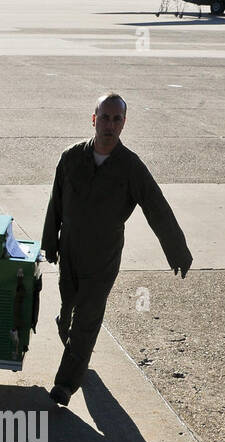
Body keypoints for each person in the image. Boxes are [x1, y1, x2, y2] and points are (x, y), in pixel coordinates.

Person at [41, 93, 193, 406]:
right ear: (93, 119)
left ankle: (65, 385)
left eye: (117, 119)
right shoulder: (70, 157)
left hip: (103, 256)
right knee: (69, 309)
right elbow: (55, 201)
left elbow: (156, 207)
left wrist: (177, 250)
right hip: (69, 250)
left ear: (123, 124)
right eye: (105, 117)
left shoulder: (130, 167)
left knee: (88, 318)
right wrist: (49, 241)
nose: (110, 124)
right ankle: (66, 329)